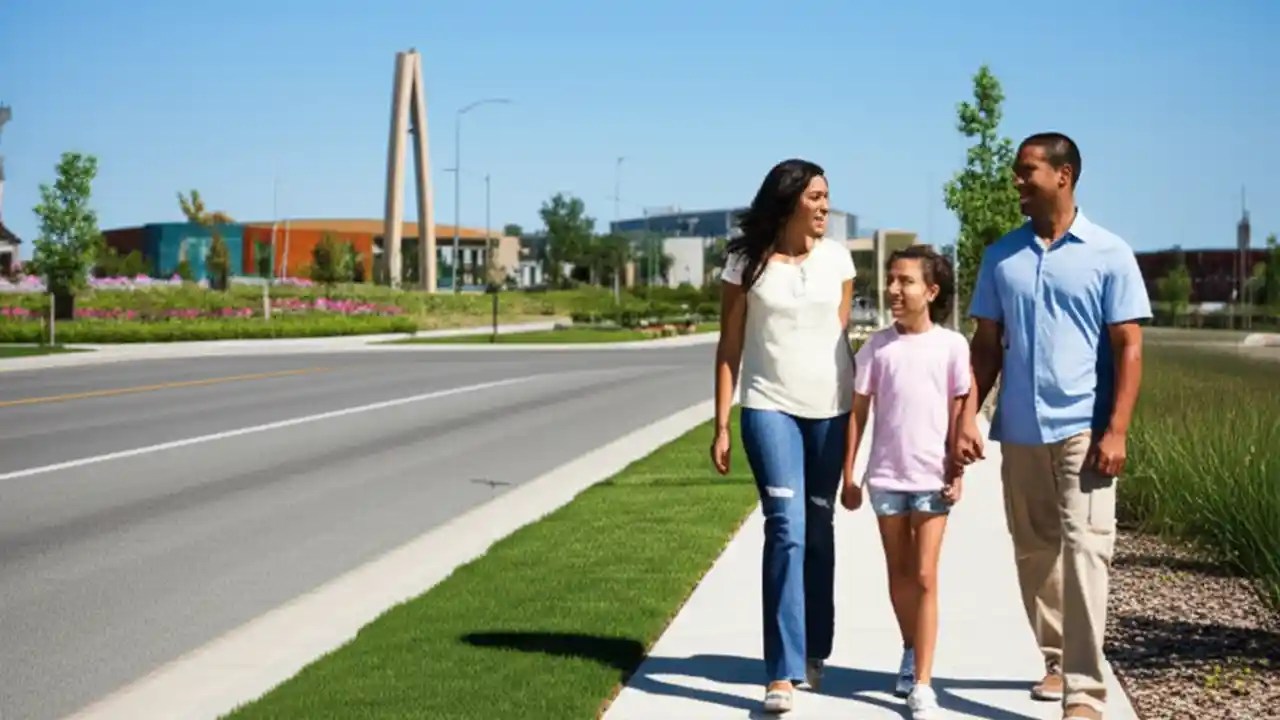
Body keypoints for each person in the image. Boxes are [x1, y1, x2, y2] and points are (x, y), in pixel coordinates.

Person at [952, 132, 1151, 720]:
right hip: (1019, 428)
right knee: (1035, 551)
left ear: (1063, 176)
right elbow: (985, 346)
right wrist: (969, 414)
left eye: (1026, 170)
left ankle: (1085, 694)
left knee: (1088, 551)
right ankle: (1058, 658)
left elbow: (1130, 347)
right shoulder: (1000, 257)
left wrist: (1117, 428)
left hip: (1083, 429)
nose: (1016, 180)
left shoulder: (1110, 253)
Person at [711, 158, 856, 714]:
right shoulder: (744, 262)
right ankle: (781, 672)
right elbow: (730, 347)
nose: (824, 207)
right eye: (816, 197)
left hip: (830, 412)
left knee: (819, 528)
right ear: (790, 198)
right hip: (769, 408)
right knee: (786, 528)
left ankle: (815, 648)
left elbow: (838, 338)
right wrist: (723, 422)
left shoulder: (838, 260)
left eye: (827, 197)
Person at [840, 245, 969, 720]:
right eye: (891, 280)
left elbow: (960, 412)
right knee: (898, 576)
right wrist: (849, 474)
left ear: (931, 292)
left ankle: (923, 683)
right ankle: (911, 646)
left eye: (905, 281)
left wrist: (957, 470)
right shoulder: (876, 347)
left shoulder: (953, 346)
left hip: (932, 478)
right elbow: (858, 414)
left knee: (925, 575)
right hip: (886, 479)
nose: (893, 289)